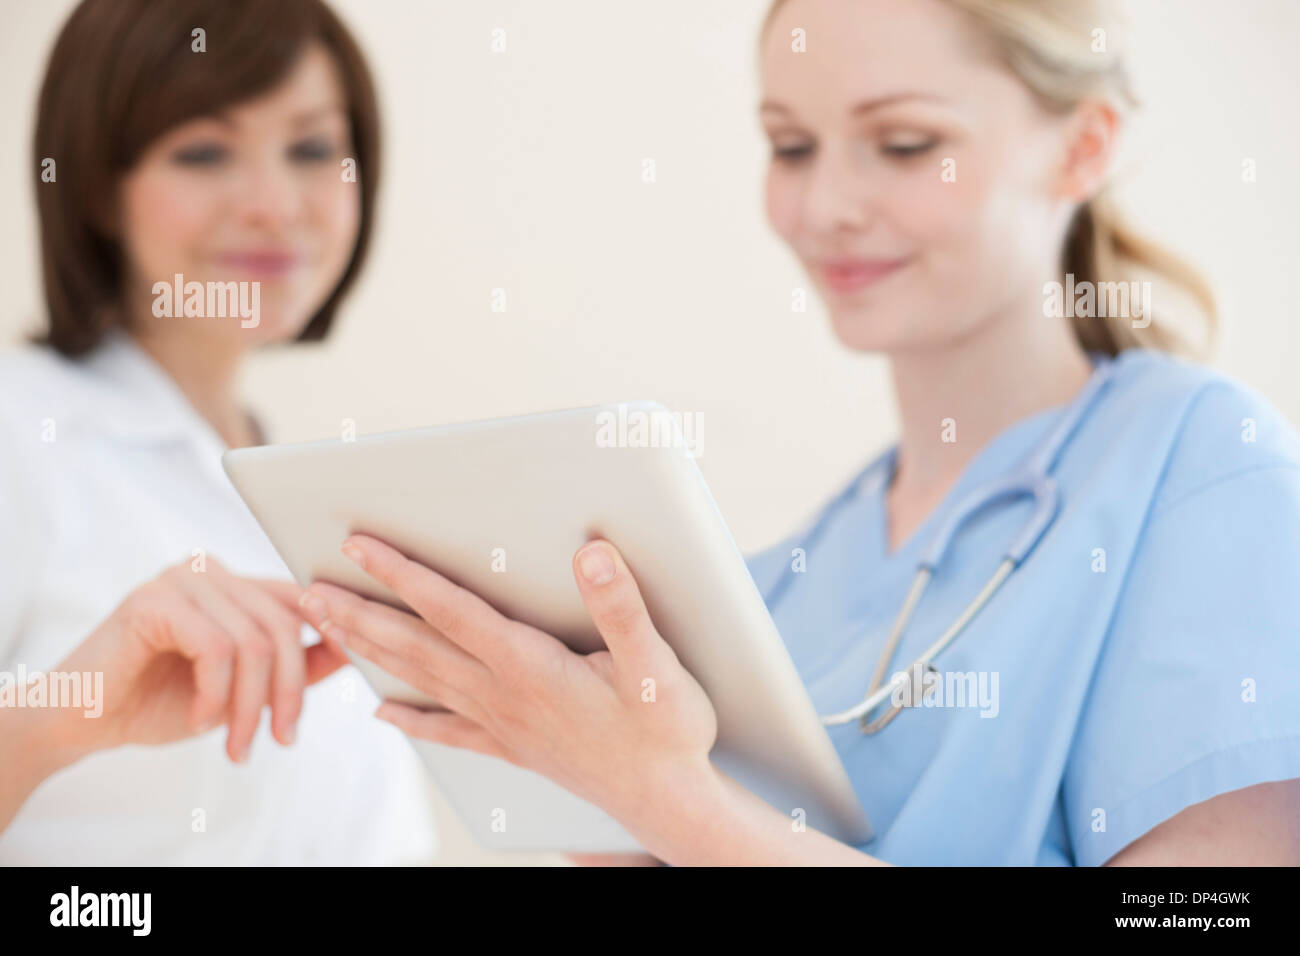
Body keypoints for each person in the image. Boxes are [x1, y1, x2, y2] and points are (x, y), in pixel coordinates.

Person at [295, 0, 1300, 865]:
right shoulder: (779, 581)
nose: (824, 206)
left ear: (1082, 145)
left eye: (905, 144)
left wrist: (668, 801)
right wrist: (577, 770)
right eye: (790, 146)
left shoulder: (1200, 469)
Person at [0, 0, 437, 865]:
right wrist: (59, 715)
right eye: (203, 151)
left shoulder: (305, 492)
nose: (275, 206)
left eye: (313, 148)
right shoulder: (18, 434)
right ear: (96, 186)